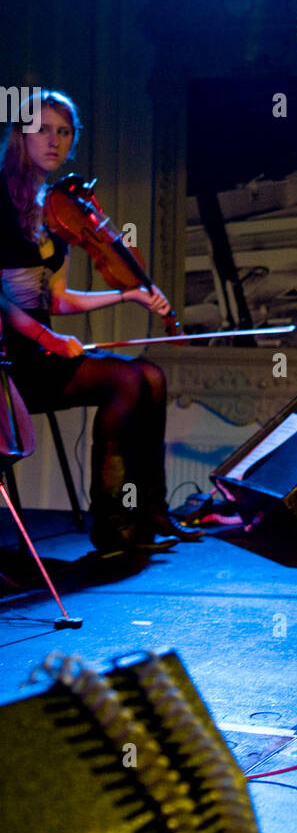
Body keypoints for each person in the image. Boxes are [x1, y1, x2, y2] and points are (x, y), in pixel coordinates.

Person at [0, 90, 201, 554]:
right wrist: (44, 334)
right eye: (43, 130)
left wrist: (127, 293)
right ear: (20, 135)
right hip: (9, 362)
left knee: (150, 375)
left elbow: (58, 298)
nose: (55, 141)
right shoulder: (1, 199)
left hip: (40, 350)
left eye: (64, 132)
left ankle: (150, 513)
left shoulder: (51, 207)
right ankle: (112, 527)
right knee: (125, 382)